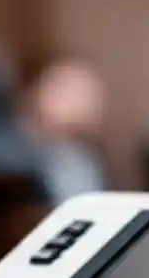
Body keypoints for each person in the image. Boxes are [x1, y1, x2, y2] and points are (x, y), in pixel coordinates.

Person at [15, 51, 110, 205]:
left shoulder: (92, 156)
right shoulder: (11, 161)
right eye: (71, 90)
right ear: (33, 93)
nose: (84, 102)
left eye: (88, 91)